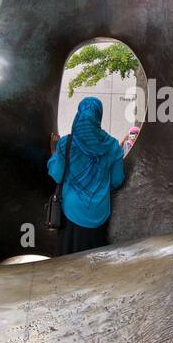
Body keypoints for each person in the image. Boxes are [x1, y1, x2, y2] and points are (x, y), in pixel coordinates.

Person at [47, 96, 125, 255]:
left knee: (67, 256)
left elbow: (56, 175)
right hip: (98, 212)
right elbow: (117, 180)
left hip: (70, 211)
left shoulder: (66, 143)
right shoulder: (112, 145)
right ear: (99, 115)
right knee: (95, 258)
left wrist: (54, 152)